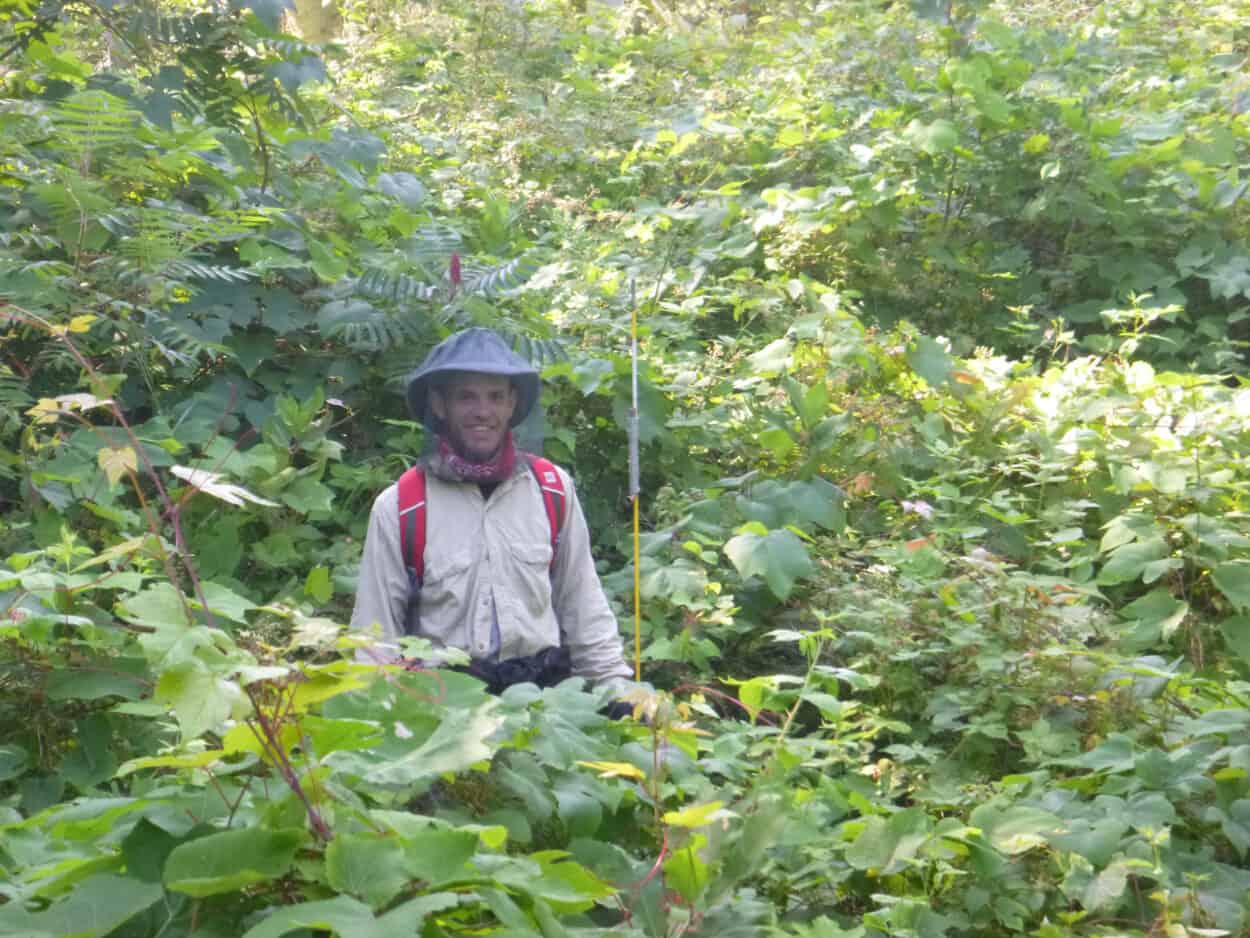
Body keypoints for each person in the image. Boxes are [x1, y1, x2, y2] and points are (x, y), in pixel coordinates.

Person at [350, 327, 633, 693]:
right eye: (467, 397)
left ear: (512, 404)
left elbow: (582, 601)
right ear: (439, 405)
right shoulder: (401, 505)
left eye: (496, 397)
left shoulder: (552, 488)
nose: (483, 411)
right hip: (444, 705)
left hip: (543, 701)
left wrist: (615, 686)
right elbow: (375, 638)